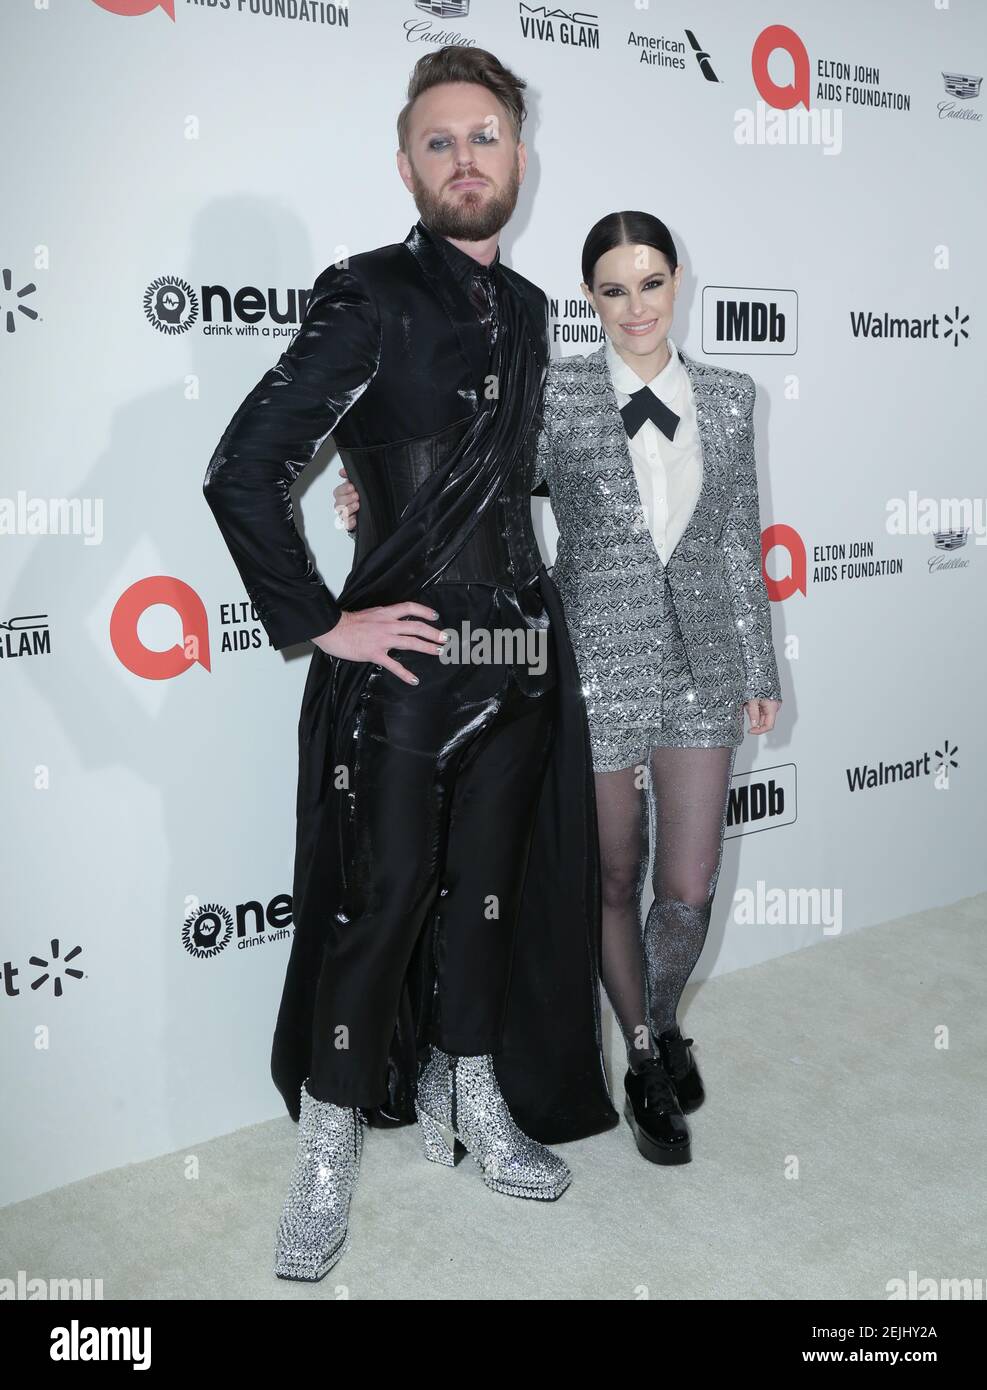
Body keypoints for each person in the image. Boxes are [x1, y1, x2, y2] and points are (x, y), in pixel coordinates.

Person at [202, 48, 617, 1283]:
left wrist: (385, 491)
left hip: (519, 649)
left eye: (485, 136)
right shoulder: (367, 291)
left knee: (489, 892)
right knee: (376, 907)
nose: (466, 159)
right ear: (406, 166)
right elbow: (239, 468)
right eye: (439, 142)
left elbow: (507, 470)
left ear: (520, 157)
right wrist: (325, 619)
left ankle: (470, 1088)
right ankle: (329, 1141)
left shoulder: (540, 310)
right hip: (410, 663)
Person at [335, 210, 783, 1169]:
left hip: (702, 665)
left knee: (688, 886)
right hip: (595, 663)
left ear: (677, 282)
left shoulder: (733, 397)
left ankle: (660, 1016)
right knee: (613, 877)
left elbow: (740, 541)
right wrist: (377, 493)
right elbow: (479, 479)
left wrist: (757, 665)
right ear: (590, 298)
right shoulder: (559, 393)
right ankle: (643, 1056)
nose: (635, 305)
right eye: (613, 289)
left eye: (651, 282)